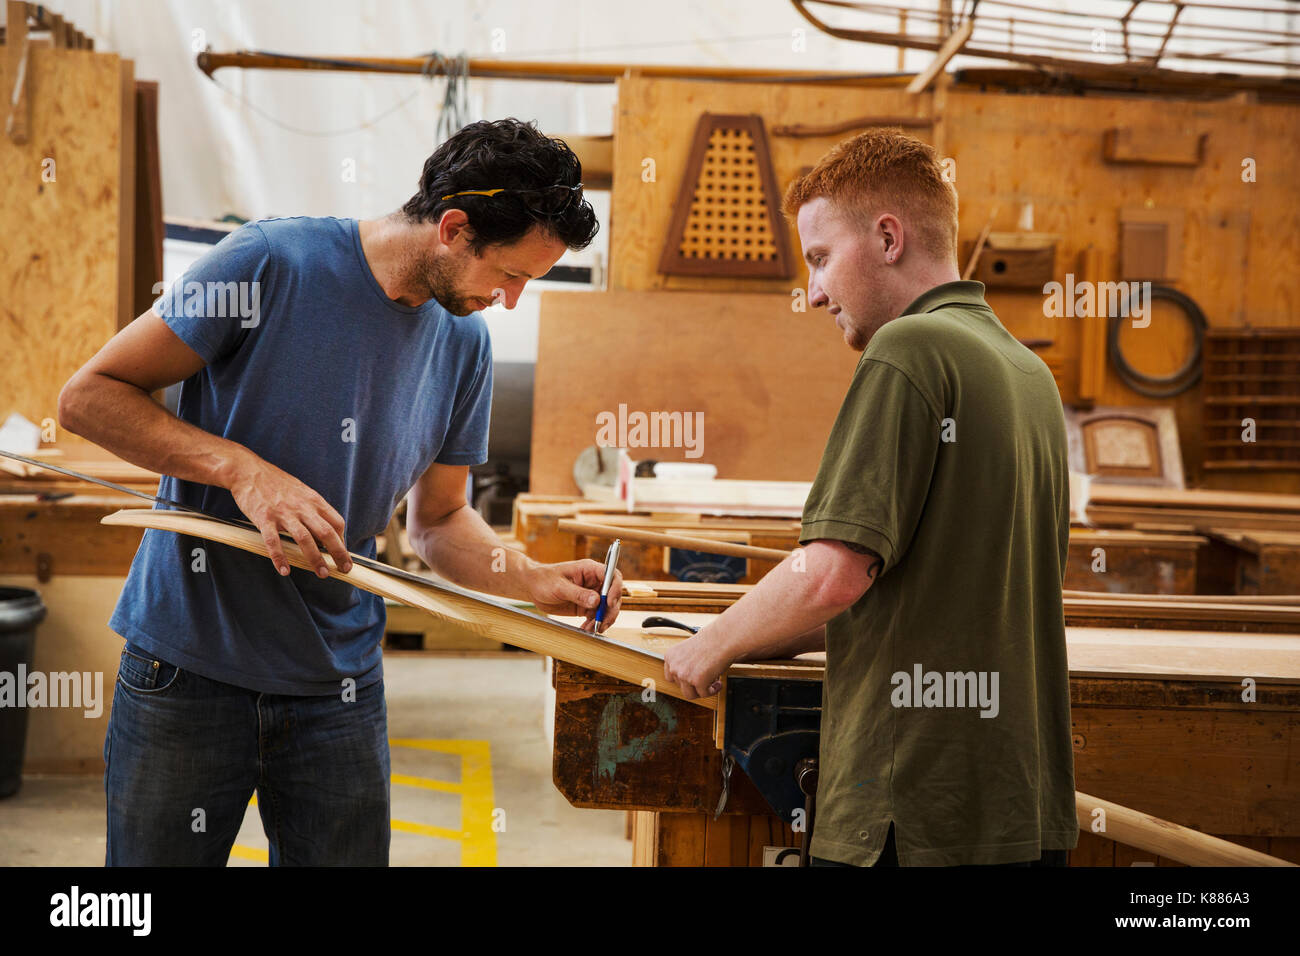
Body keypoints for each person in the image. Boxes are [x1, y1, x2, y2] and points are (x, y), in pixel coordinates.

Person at [59, 117, 623, 866]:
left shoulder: (464, 345)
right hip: (188, 670)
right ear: (454, 228)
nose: (512, 299)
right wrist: (242, 470)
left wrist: (529, 578)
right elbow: (88, 396)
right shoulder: (269, 263)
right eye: (512, 275)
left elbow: (442, 519)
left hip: (338, 688)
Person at [663, 129, 1077, 867]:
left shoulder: (910, 350)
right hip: (1016, 810)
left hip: (909, 810)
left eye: (821, 258)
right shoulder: (1026, 373)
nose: (815, 291)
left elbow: (833, 572)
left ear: (888, 237)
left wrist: (710, 645)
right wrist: (760, 627)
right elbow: (917, 598)